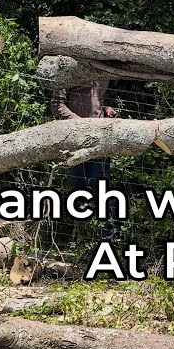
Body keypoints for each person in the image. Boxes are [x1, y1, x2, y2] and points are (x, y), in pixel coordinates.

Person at [51, 81, 117, 240]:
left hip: (98, 138)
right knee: (77, 187)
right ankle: (80, 237)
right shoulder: (69, 71)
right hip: (74, 139)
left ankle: (108, 235)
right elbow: (57, 104)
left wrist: (106, 110)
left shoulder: (102, 73)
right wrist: (80, 123)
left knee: (101, 186)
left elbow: (95, 105)